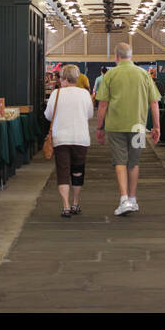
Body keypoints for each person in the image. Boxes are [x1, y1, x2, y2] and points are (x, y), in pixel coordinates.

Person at [94, 43, 161, 217]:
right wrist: (156, 127)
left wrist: (99, 127)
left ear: (116, 57)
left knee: (120, 162)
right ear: (132, 56)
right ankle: (132, 199)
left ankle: (124, 199)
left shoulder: (110, 75)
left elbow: (102, 104)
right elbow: (154, 103)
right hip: (138, 126)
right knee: (134, 162)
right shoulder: (144, 74)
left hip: (115, 127)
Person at [46, 64, 94, 217]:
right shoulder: (85, 94)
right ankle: (75, 203)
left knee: (63, 172)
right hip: (81, 138)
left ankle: (65, 206)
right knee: (78, 171)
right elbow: (90, 115)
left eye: (60, 78)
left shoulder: (56, 94)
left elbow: (48, 115)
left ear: (66, 79)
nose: (59, 81)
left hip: (61, 138)